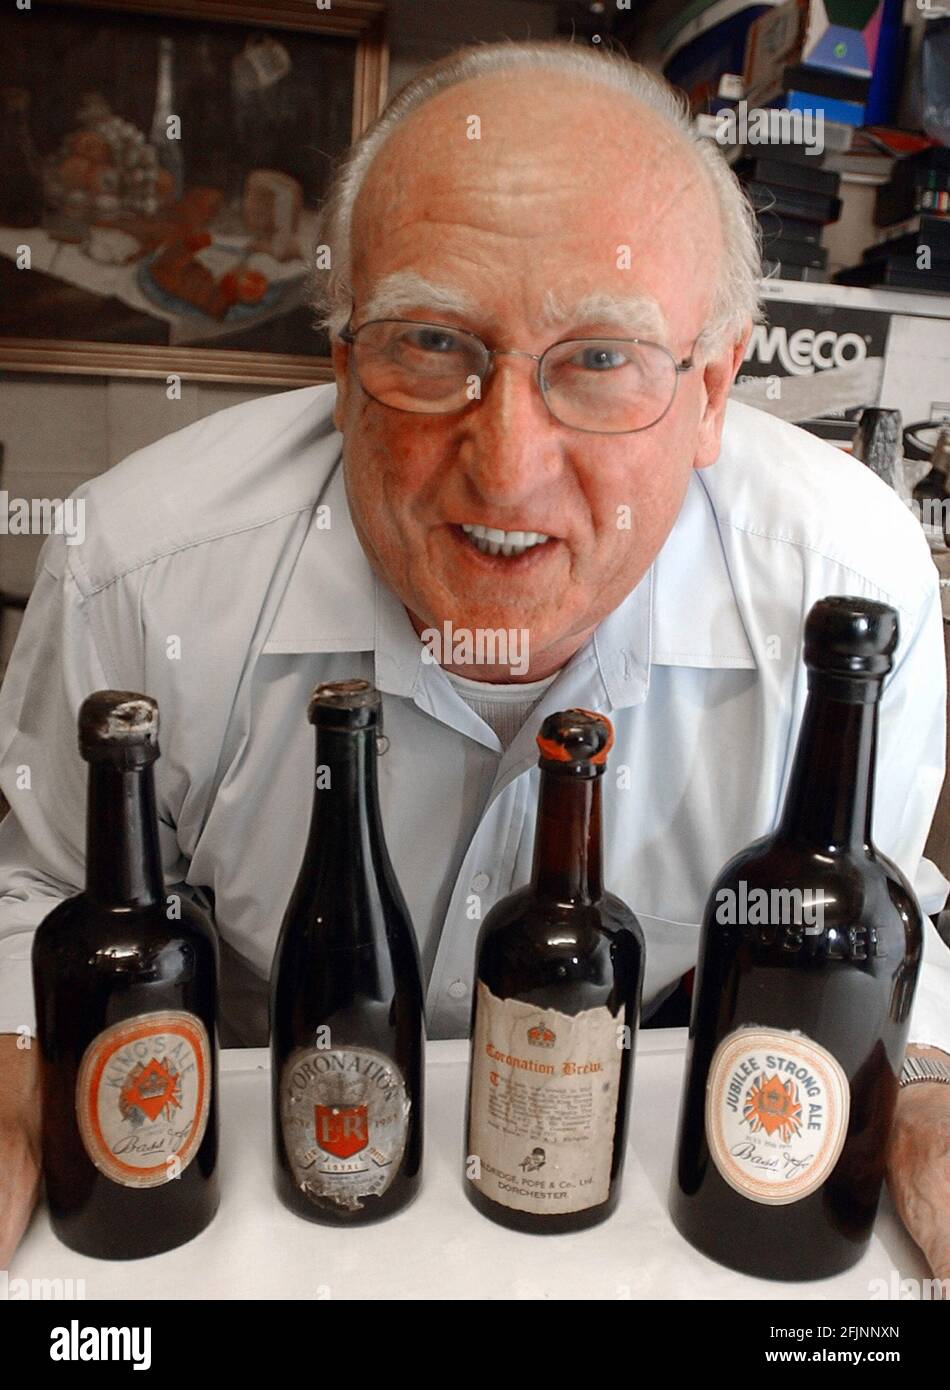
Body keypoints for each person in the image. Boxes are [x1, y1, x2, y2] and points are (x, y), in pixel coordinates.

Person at [1, 41, 948, 1280]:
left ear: (714, 387)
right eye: (430, 345)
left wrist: (921, 1093)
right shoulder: (137, 566)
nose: (504, 466)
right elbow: (43, 892)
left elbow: (872, 928)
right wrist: (20, 1085)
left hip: (627, 1181)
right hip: (261, 1184)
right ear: (341, 369)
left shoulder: (845, 587)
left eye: (599, 360)